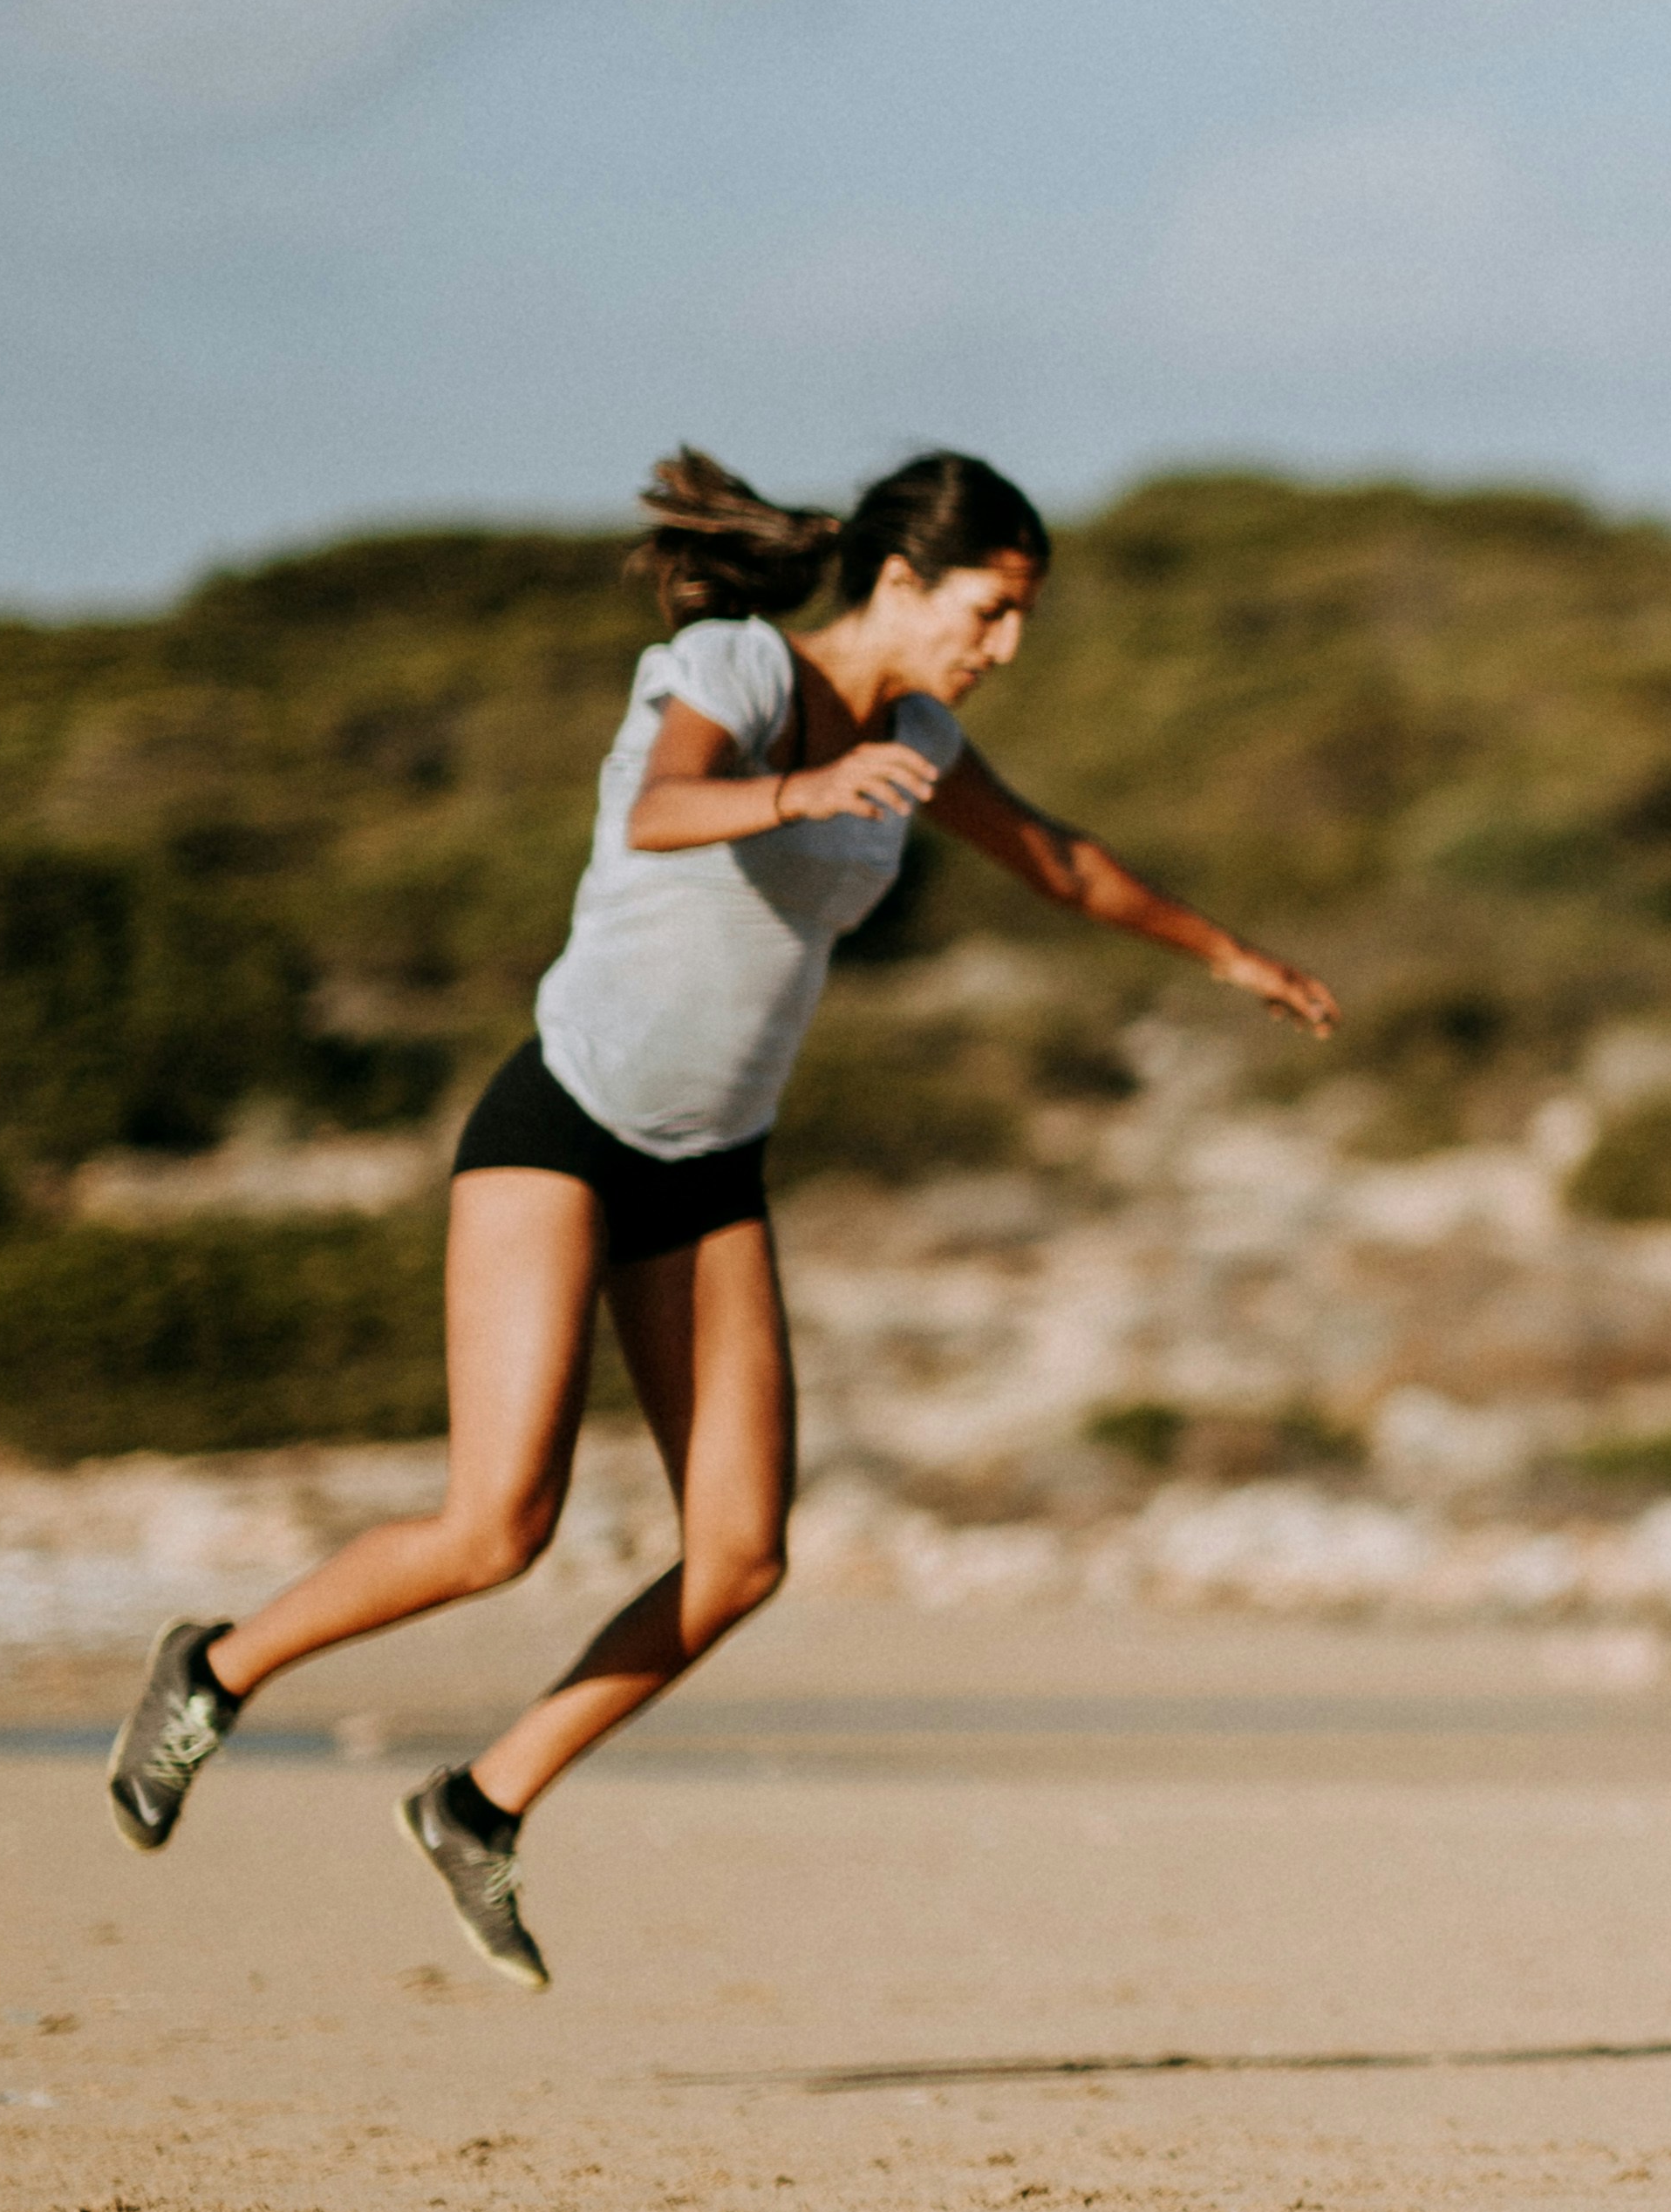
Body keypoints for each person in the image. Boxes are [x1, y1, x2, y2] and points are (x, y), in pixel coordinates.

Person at [98, 448, 1334, 1984]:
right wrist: (806, 786)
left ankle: (482, 1801)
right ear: (902, 579)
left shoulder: (921, 735)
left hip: (708, 1167)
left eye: (1022, 619)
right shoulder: (734, 667)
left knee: (740, 1553)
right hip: (560, 1124)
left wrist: (1231, 956)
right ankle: (214, 1668)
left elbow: (1063, 862)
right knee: (499, 1522)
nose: (1004, 645)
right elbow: (664, 810)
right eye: (992, 608)